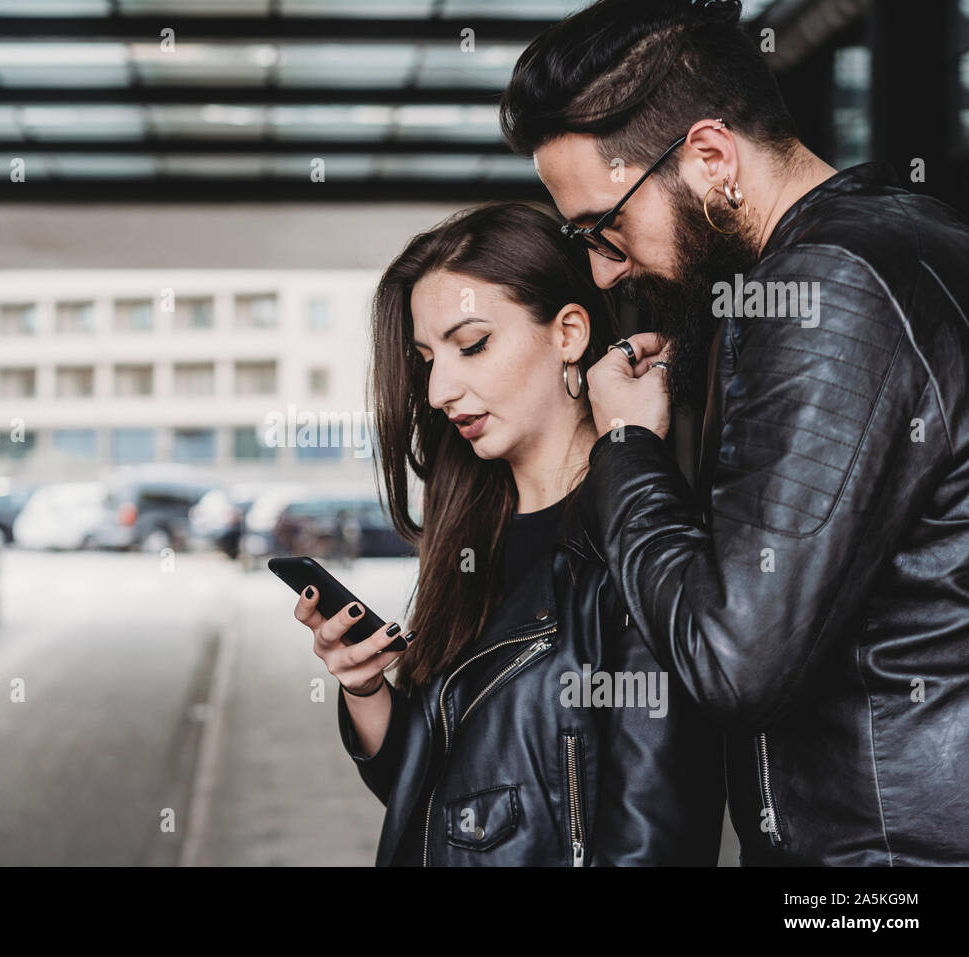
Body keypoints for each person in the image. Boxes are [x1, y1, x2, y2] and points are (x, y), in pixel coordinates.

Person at [499, 0, 969, 864]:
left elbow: (733, 658)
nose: (605, 270)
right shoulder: (913, 238)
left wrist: (626, 451)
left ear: (711, 157)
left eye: (604, 228)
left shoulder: (830, 285)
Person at [291, 202, 724, 866]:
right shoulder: (470, 532)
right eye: (427, 357)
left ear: (568, 333)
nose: (437, 389)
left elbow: (654, 839)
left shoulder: (639, 540)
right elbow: (447, 800)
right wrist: (366, 688)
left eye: (472, 345)